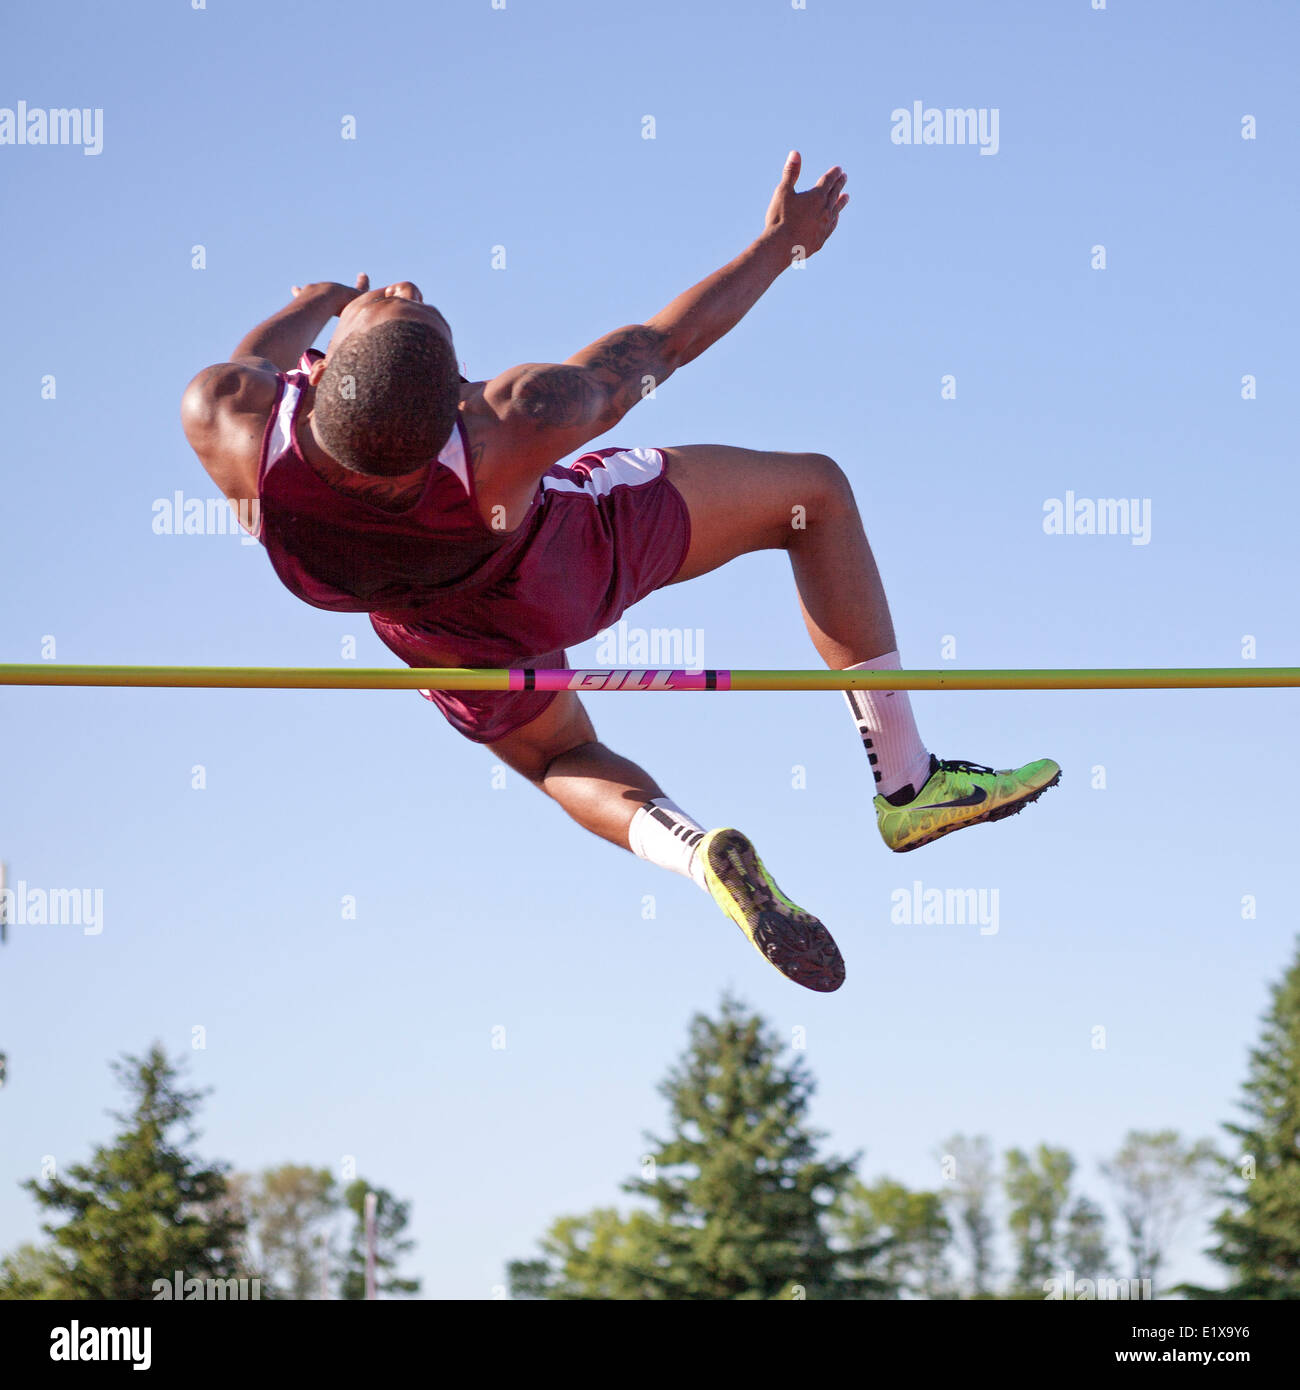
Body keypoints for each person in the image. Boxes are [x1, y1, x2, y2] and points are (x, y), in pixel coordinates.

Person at [181, 152, 1058, 994]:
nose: (406, 290)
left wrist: (323, 303)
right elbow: (662, 345)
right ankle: (908, 785)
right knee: (815, 496)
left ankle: (690, 849)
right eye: (413, 314)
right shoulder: (510, 424)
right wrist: (780, 245)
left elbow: (252, 360)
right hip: (567, 562)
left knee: (561, 755)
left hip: (436, 632)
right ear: (458, 401)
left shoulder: (226, 424)